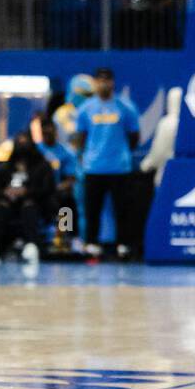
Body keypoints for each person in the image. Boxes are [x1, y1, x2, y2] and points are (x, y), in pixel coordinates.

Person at [74, 67, 140, 259]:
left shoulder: (125, 107)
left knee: (123, 209)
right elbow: (81, 136)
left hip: (119, 167)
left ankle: (123, 244)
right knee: (91, 208)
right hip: (93, 166)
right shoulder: (85, 108)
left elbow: (134, 136)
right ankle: (92, 243)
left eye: (107, 80)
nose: (104, 83)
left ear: (113, 82)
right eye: (100, 80)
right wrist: (85, 156)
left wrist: (123, 152)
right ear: (95, 82)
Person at [0, 132, 54, 264]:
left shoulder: (42, 165)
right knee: (0, 206)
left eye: (25, 141)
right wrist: (7, 192)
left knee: (29, 206)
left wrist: (26, 192)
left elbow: (47, 189)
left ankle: (32, 245)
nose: (22, 145)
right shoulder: (6, 166)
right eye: (19, 142)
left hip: (35, 203)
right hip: (10, 203)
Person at [32, 114, 79, 250]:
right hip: (37, 190)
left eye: (50, 130)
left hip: (56, 190)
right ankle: (33, 240)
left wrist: (56, 187)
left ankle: (65, 236)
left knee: (67, 201)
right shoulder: (35, 150)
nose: (47, 133)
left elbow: (71, 179)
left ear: (56, 131)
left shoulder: (66, 153)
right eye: (44, 131)